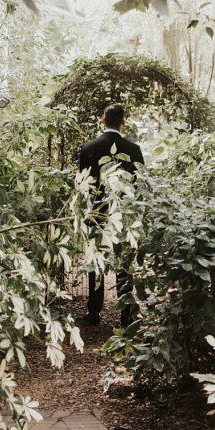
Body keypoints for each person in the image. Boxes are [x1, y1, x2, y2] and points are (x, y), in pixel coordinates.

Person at [79, 103, 144, 326]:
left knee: (96, 259)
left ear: (102, 120)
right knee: (124, 261)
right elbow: (138, 184)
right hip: (122, 213)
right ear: (123, 122)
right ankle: (126, 313)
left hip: (96, 211)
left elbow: (83, 183)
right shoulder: (133, 150)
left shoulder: (89, 147)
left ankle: (94, 311)